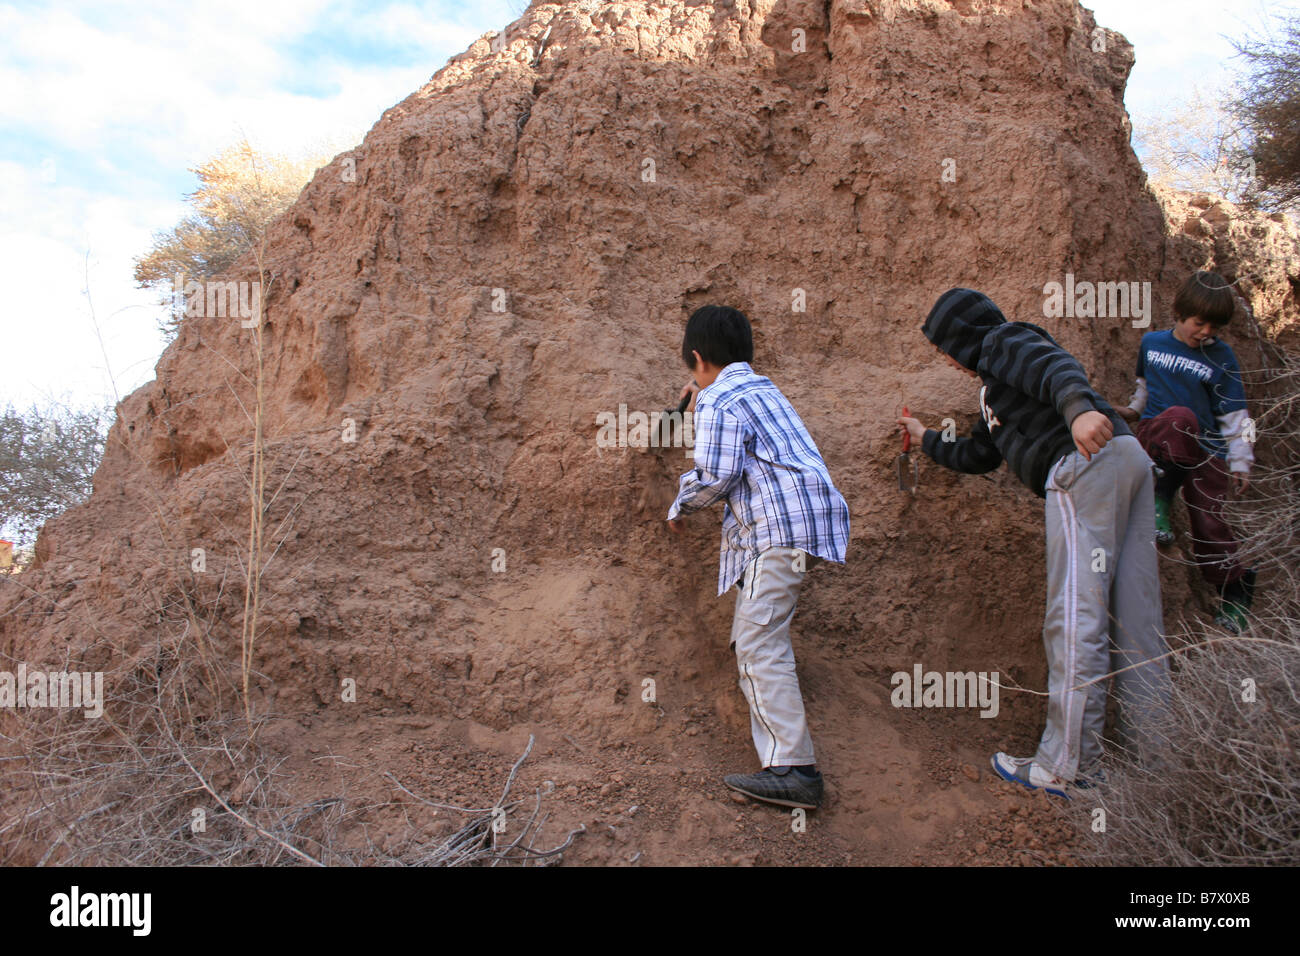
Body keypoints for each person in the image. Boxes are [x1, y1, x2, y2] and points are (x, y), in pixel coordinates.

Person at [899, 288, 1169, 796]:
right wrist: (924, 438)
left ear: (963, 336)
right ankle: (1161, 759)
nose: (946, 359)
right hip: (1125, 462)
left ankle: (1067, 767)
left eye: (944, 347)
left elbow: (1055, 366)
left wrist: (1076, 411)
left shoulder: (1004, 339)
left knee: (1074, 619)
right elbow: (981, 454)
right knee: (1137, 617)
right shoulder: (994, 391)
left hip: (1081, 466)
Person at [666, 305, 849, 810]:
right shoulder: (762, 390)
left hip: (777, 530)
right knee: (761, 633)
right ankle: (791, 764)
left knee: (756, 642)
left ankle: (795, 771)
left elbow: (717, 475)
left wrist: (679, 503)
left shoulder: (718, 399)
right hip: (809, 524)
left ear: (697, 358)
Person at [1115, 271, 1257, 633]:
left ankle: (1236, 588)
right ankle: (1159, 499)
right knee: (1179, 417)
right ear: (1179, 312)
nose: (1206, 331)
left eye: (1215, 326)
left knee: (1211, 523)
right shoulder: (1152, 343)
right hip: (1158, 435)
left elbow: (1235, 414)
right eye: (1200, 322)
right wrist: (1132, 411)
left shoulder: (1221, 357)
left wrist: (1240, 459)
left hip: (1206, 448)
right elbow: (1144, 388)